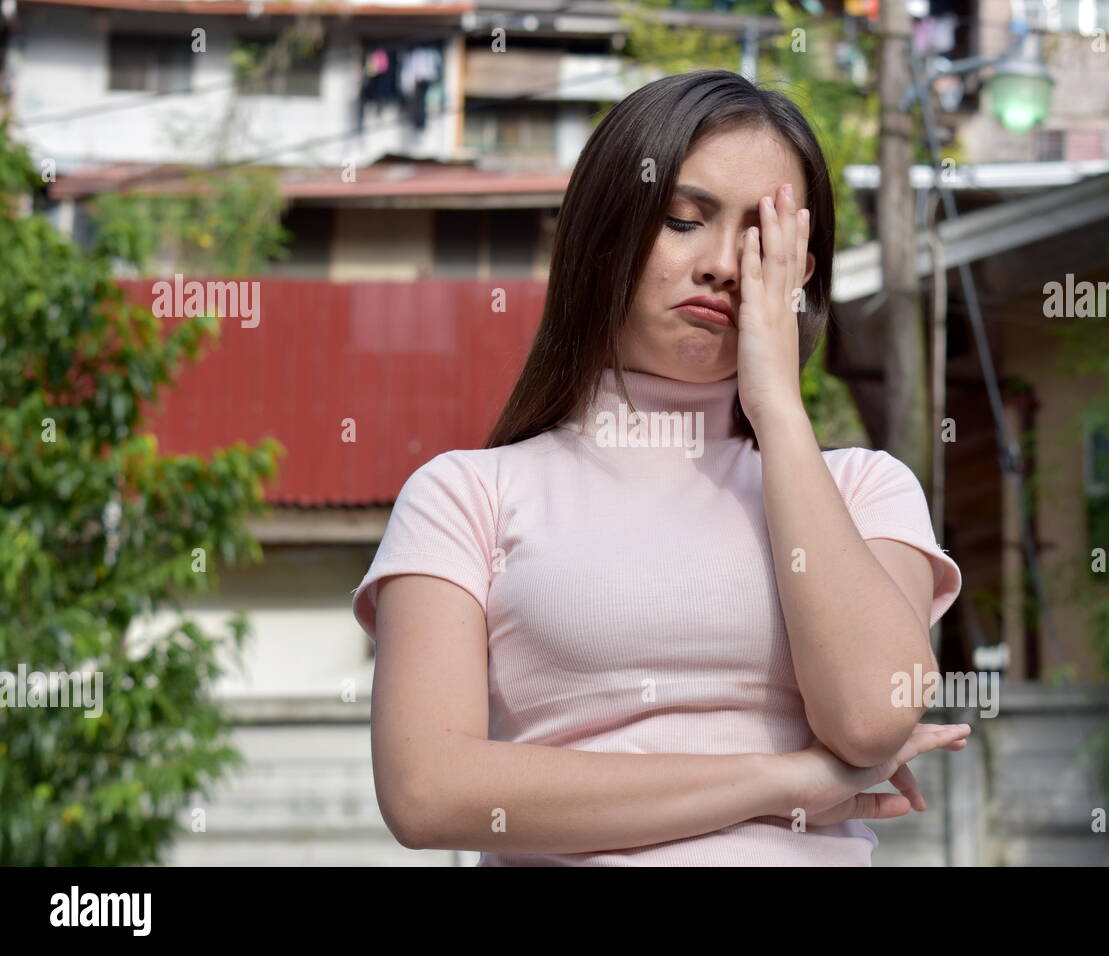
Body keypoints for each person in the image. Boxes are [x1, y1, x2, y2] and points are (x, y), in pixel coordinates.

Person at [351, 69, 969, 866]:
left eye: (760, 239)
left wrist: (777, 404)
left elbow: (869, 719)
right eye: (683, 219)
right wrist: (782, 780)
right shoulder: (468, 495)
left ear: (800, 272)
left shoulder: (862, 490)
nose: (721, 264)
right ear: (605, 232)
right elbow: (428, 792)